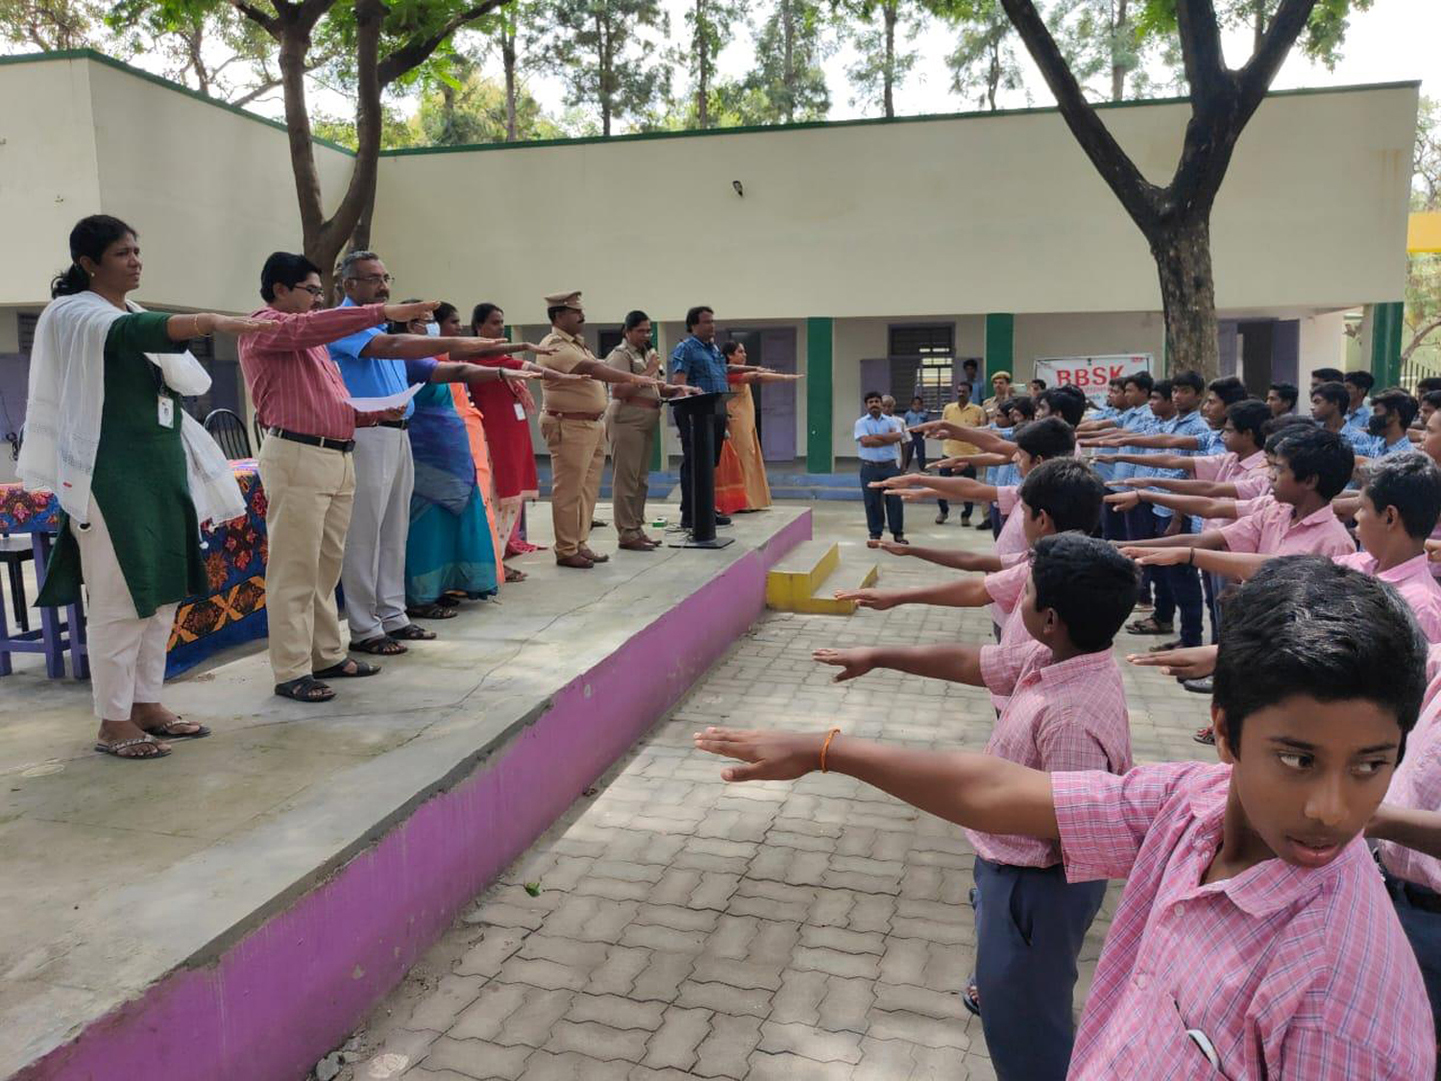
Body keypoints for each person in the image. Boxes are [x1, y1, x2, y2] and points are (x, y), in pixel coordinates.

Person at [697, 557, 1436, 1079]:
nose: (1333, 811)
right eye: (1299, 759)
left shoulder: (1338, 1009)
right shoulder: (1195, 804)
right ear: (1223, 732)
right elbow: (1001, 790)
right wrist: (825, 749)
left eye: (1370, 764)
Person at [822, 532, 1137, 1079]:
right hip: (1013, 878)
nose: (1017, 600)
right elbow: (977, 664)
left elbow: (1061, 829)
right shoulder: (1056, 656)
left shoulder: (1071, 718)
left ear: (1051, 618)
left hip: (1035, 890)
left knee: (1027, 1033)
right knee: (1014, 1000)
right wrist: (879, 656)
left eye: (1027, 592)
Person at [20, 215, 274, 757]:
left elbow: (150, 344)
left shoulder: (131, 311)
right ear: (88, 263)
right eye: (121, 253)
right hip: (108, 475)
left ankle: (146, 702)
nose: (135, 260)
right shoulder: (74, 313)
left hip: (161, 470)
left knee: (161, 595)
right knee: (119, 599)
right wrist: (208, 321)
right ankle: (113, 721)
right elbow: (128, 335)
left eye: (136, 250)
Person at [328, 251, 550, 653]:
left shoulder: (384, 331)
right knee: (365, 535)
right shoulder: (345, 324)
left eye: (386, 278)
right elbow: (397, 346)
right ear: (349, 285)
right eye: (374, 279)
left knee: (394, 532)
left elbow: (440, 369)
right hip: (368, 435)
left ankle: (393, 614)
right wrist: (458, 341)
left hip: (399, 434)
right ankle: (364, 628)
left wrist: (500, 370)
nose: (383, 286)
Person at [239, 252, 434, 704]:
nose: (318, 299)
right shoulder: (265, 327)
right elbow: (307, 328)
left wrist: (371, 414)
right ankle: (291, 668)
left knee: (326, 566)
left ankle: (326, 654)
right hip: (298, 454)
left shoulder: (313, 343)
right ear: (280, 289)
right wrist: (382, 312)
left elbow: (330, 401)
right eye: (311, 290)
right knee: (295, 568)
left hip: (336, 453)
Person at [538, 291, 679, 568]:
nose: (582, 316)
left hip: (590, 423)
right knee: (569, 491)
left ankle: (580, 543)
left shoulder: (578, 344)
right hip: (568, 423)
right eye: (576, 312)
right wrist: (638, 376)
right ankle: (566, 549)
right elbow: (592, 369)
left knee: (588, 490)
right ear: (559, 315)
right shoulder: (554, 345)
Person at [468, 303, 545, 565]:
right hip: (492, 441)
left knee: (510, 502)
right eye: (494, 322)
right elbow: (531, 369)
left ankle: (499, 558)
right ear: (478, 326)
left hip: (513, 439)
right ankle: (493, 562)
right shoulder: (473, 360)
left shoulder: (501, 358)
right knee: (494, 501)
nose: (500, 327)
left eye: (502, 322)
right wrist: (565, 376)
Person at [606, 310, 689, 550]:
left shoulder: (646, 354)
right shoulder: (620, 355)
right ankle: (626, 533)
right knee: (626, 479)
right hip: (626, 420)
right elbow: (619, 390)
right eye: (640, 331)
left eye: (648, 331)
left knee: (641, 479)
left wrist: (678, 389)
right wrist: (649, 371)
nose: (646, 335)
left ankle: (636, 528)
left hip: (647, 421)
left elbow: (654, 387)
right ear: (627, 331)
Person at [713, 340, 799, 513]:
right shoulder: (726, 372)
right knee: (742, 460)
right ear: (730, 355)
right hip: (736, 422)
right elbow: (756, 377)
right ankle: (741, 502)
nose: (744, 355)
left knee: (750, 458)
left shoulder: (737, 371)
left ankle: (750, 500)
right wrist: (785, 378)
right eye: (740, 352)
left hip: (746, 421)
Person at [669, 305, 732, 533]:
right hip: (695, 413)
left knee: (709, 463)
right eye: (706, 322)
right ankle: (690, 514)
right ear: (693, 325)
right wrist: (686, 416)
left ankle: (705, 510)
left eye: (712, 321)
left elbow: (721, 378)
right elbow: (679, 382)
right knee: (694, 462)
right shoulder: (686, 348)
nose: (711, 326)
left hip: (715, 410)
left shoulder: (714, 349)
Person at [855, 391, 907, 543]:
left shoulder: (891, 421)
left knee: (895, 501)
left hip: (890, 467)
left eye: (876, 402)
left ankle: (898, 534)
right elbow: (865, 442)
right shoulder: (861, 423)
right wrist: (887, 438)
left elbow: (897, 436)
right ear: (866, 405)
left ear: (881, 404)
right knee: (872, 502)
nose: (874, 404)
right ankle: (875, 534)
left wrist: (875, 437)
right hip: (869, 468)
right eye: (870, 402)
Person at [934, 381, 987, 525]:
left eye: (964, 391)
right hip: (949, 453)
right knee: (942, 485)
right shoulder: (948, 408)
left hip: (969, 456)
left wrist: (978, 455)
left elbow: (983, 433)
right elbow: (942, 427)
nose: (960, 394)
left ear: (970, 393)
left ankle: (966, 515)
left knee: (968, 488)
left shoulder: (978, 410)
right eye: (959, 391)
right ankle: (943, 511)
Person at [901, 395, 930, 472]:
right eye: (915, 404)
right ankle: (904, 468)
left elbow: (927, 425)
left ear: (921, 405)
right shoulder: (908, 414)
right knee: (909, 452)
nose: (917, 406)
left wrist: (926, 433)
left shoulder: (924, 414)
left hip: (920, 434)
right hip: (910, 434)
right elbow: (905, 424)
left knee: (921, 452)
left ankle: (923, 468)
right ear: (911, 405)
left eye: (919, 404)